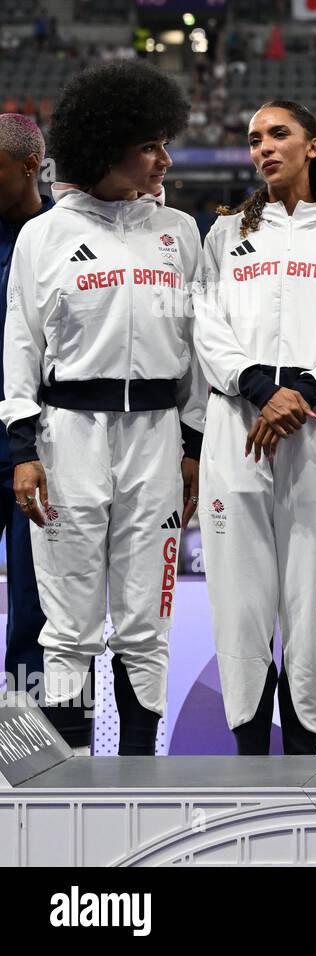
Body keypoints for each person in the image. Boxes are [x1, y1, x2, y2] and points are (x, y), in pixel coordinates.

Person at [0, 63, 205, 755]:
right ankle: (71, 772)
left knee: (148, 621)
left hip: (154, 434)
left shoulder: (179, 231)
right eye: (151, 145)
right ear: (106, 145)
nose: (165, 159)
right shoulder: (45, 235)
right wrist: (23, 449)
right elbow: (22, 347)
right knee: (69, 625)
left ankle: (140, 769)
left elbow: (197, 348)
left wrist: (194, 444)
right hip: (67, 438)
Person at [194, 100, 316, 755]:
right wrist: (257, 388)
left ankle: (304, 755)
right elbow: (206, 326)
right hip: (237, 431)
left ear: (311, 146)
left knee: (311, 609)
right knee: (241, 610)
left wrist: (301, 391)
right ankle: (250, 756)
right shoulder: (225, 234)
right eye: (253, 139)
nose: (264, 148)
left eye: (279, 135)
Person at [0, 114, 53, 729]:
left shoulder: (60, 237)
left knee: (37, 614)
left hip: (38, 449)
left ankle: (27, 746)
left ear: (31, 166)